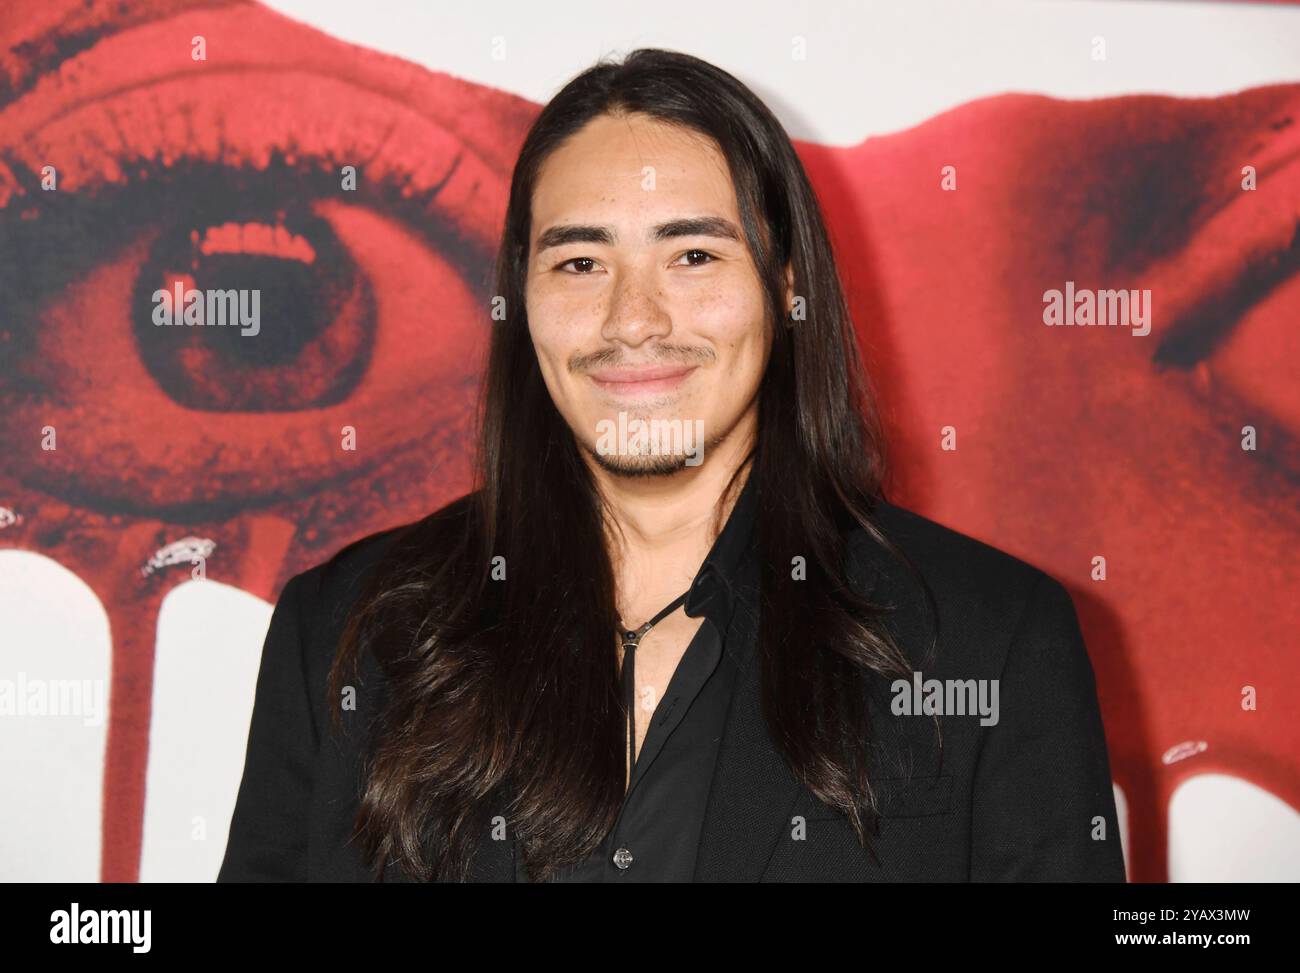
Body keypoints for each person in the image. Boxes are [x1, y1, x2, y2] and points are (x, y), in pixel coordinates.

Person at [217, 48, 1125, 883]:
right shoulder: (348, 631)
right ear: (522, 296)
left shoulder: (990, 639)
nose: (633, 320)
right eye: (579, 262)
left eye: (693, 254)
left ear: (787, 284)